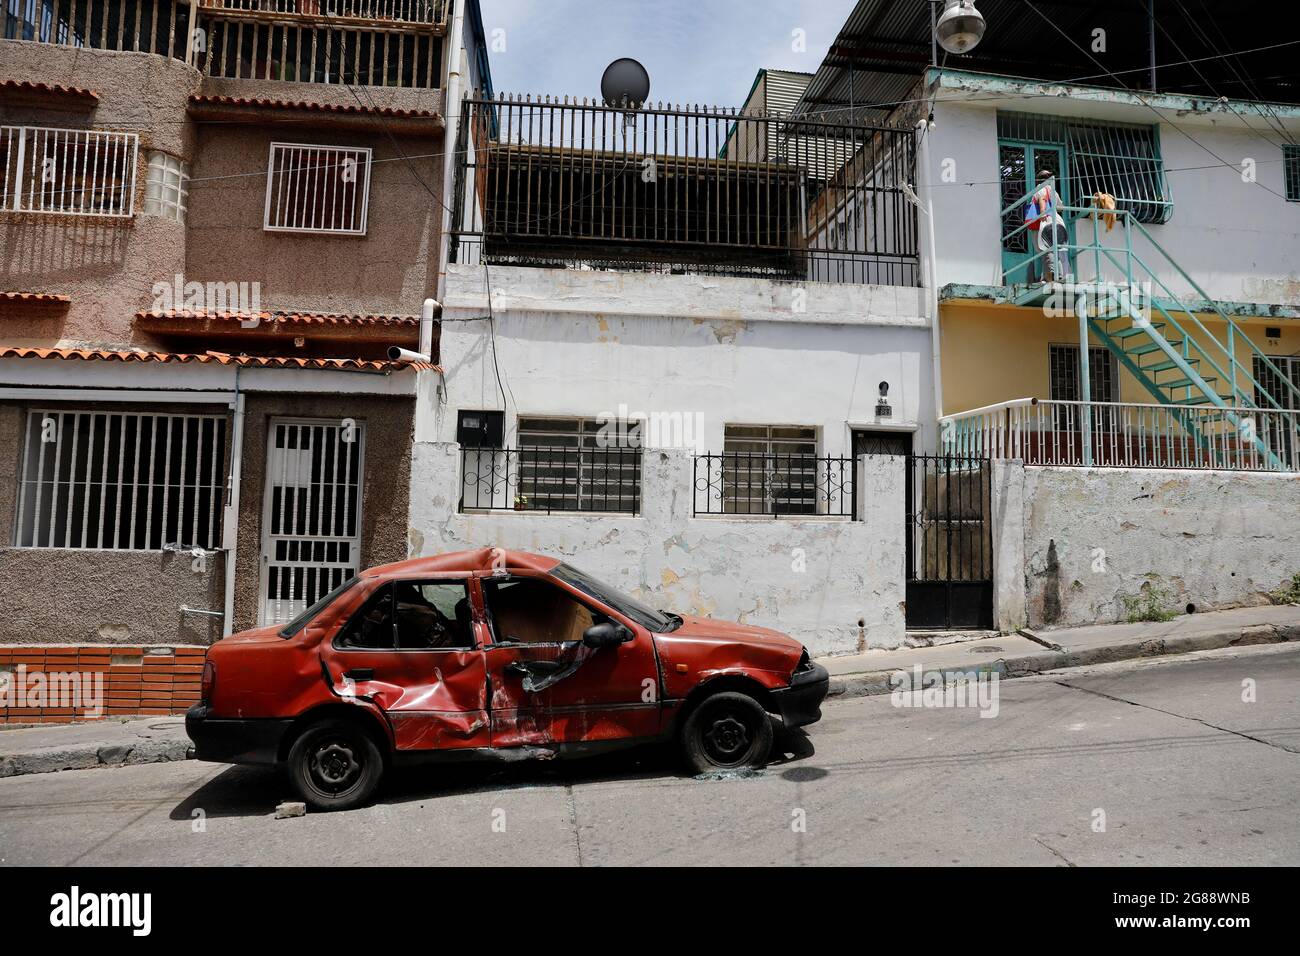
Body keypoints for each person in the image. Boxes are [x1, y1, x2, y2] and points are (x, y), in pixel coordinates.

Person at [1022, 168, 1056, 284]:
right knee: (1051, 249)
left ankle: (1048, 278)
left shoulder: (1040, 188)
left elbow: (1041, 199)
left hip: (1041, 223)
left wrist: (1042, 213)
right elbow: (1060, 206)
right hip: (1052, 222)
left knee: (1044, 250)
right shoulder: (1053, 190)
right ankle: (1049, 276)